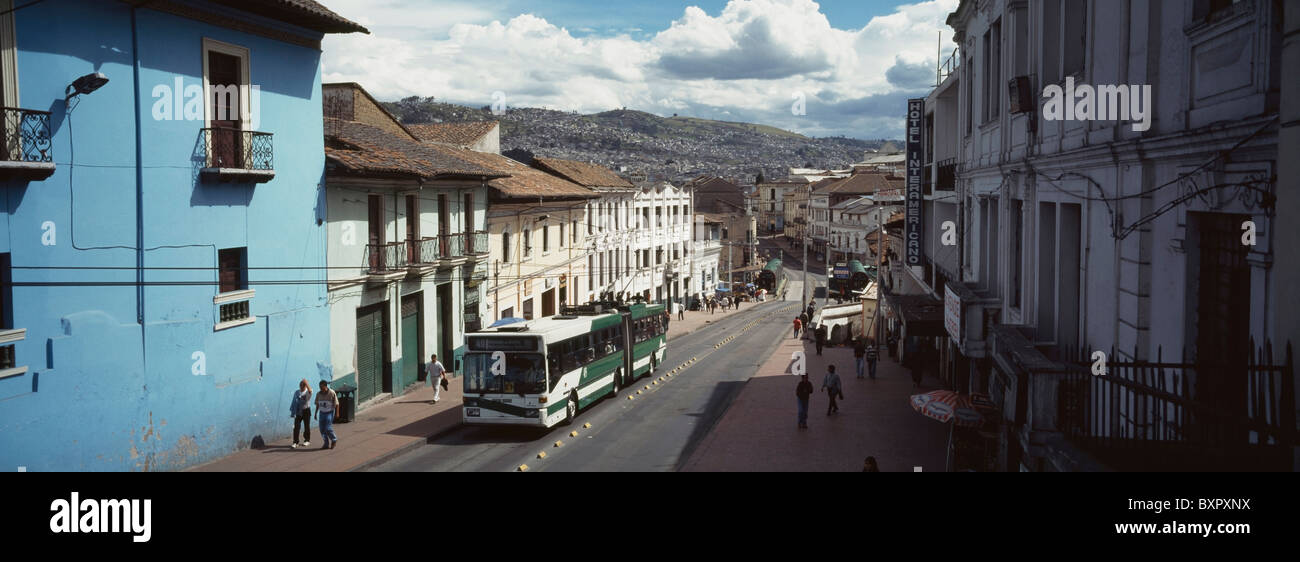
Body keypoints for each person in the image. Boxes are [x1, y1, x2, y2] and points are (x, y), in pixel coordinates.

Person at [316, 380, 339, 450]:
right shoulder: (318, 394)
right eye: (320, 388)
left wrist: (337, 413)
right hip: (321, 413)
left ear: (326, 386)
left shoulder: (332, 393)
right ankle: (326, 443)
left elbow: (337, 404)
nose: (321, 389)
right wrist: (315, 413)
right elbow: (317, 404)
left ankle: (334, 439)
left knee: (327, 428)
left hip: (329, 413)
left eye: (322, 387)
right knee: (322, 429)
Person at [289, 378, 312, 449]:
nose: (301, 387)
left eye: (303, 385)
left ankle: (307, 440)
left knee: (306, 426)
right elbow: (294, 401)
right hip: (298, 411)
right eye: (300, 385)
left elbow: (310, 390)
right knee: (296, 427)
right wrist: (293, 411)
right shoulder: (297, 392)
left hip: (306, 410)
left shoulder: (307, 392)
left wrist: (306, 382)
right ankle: (295, 442)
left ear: (305, 386)